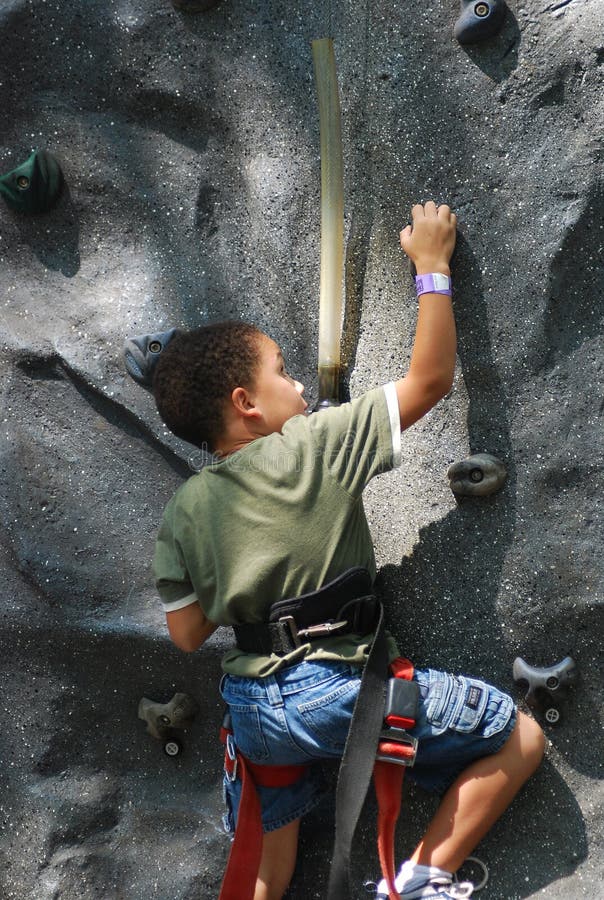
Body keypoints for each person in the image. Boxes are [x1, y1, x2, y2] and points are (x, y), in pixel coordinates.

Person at [151, 202, 545, 900]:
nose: (300, 385)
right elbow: (430, 381)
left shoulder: (183, 510)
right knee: (520, 738)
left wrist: (241, 566)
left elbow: (186, 632)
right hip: (336, 691)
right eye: (282, 372)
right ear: (246, 403)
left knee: (269, 862)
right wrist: (432, 266)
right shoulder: (317, 445)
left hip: (255, 713)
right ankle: (419, 878)